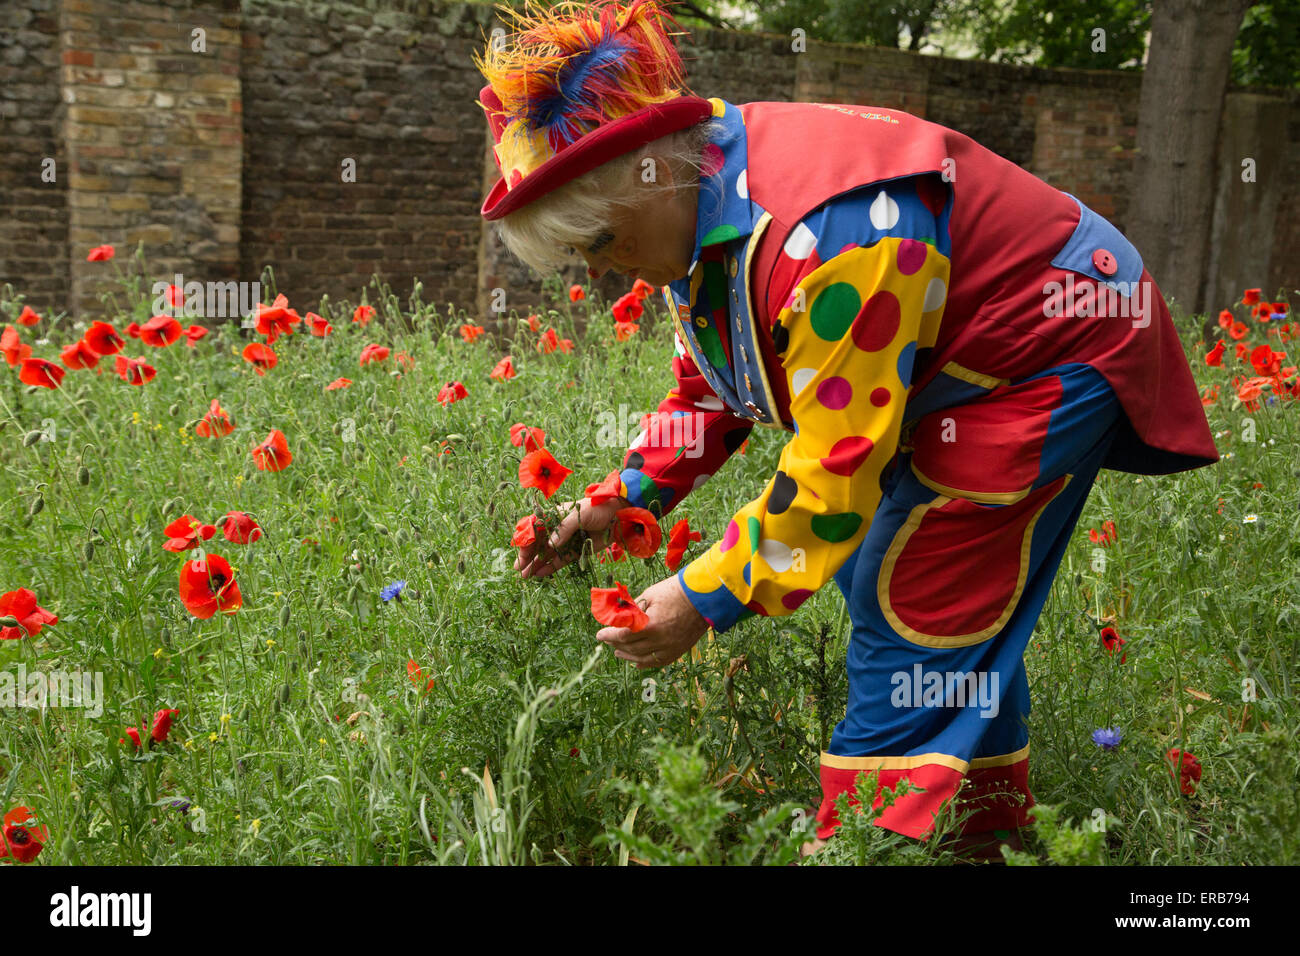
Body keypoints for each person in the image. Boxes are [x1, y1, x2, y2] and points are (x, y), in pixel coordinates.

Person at [477, 0, 1218, 860]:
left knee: (911, 594)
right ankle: (982, 837)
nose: (604, 272)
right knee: (932, 603)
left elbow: (832, 480)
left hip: (1046, 351)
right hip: (954, 374)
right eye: (582, 259)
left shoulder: (832, 240)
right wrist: (622, 500)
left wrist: (704, 597)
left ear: (655, 170)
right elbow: (718, 388)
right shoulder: (703, 209)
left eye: (601, 241)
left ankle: (868, 846)